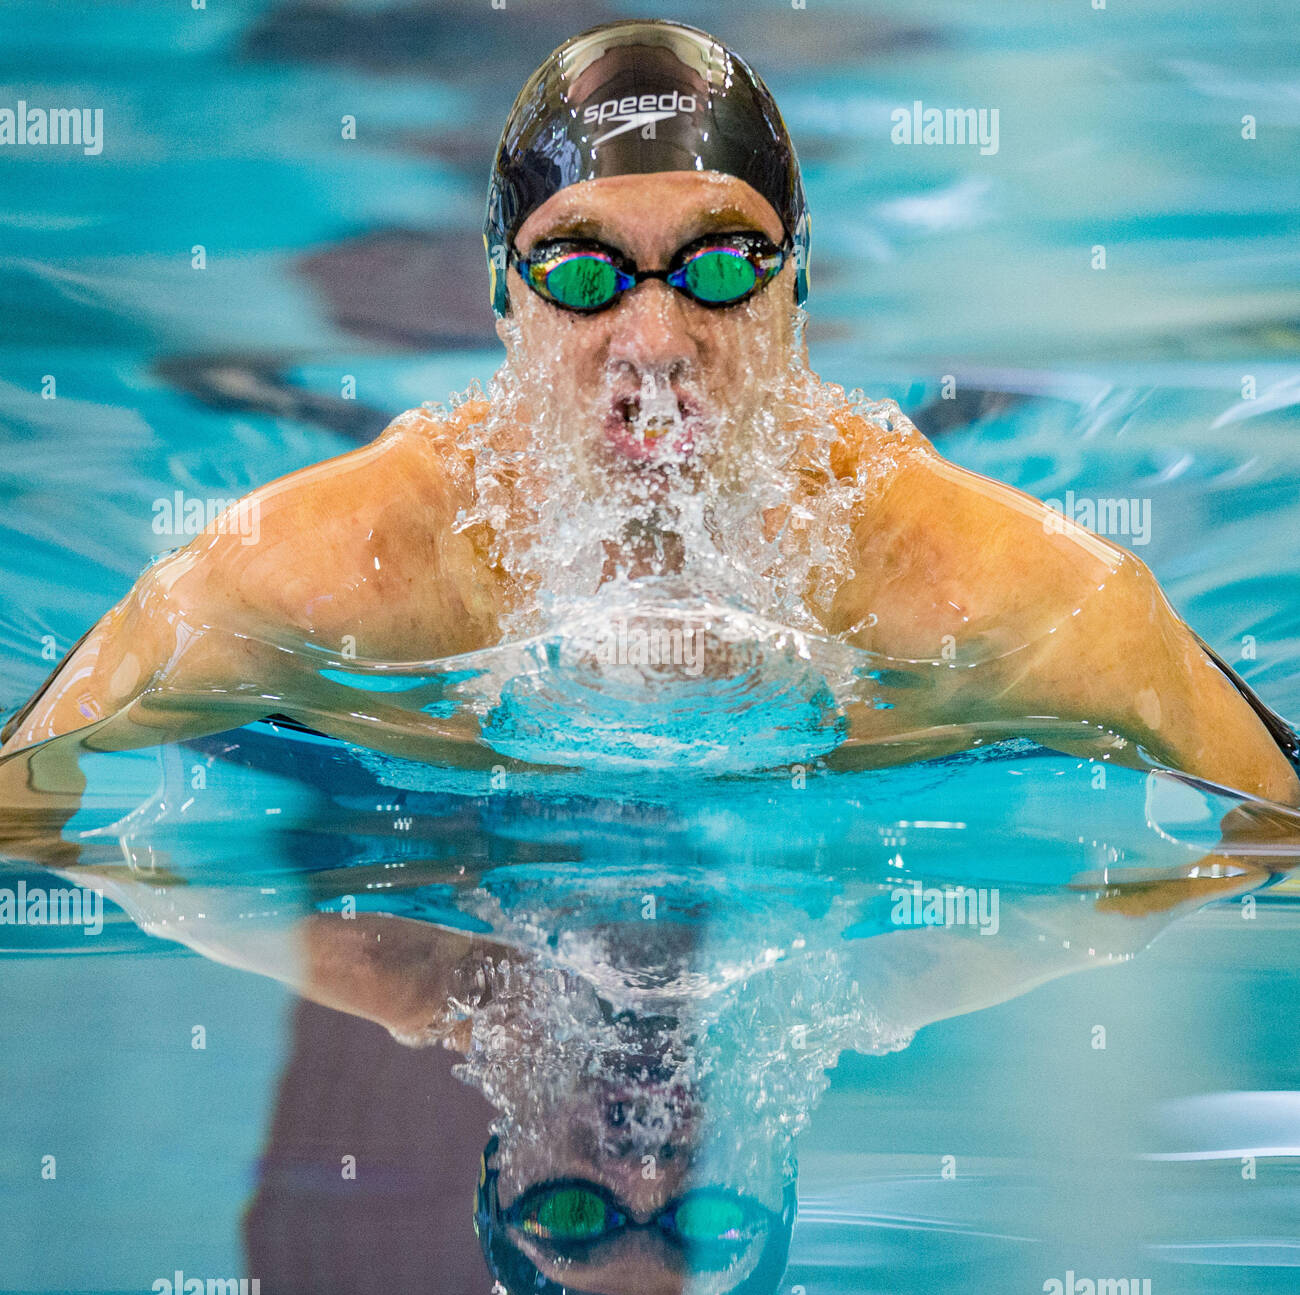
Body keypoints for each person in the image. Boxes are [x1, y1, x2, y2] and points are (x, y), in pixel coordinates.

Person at [3, 18, 1298, 818]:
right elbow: (24, 803)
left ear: (800, 291)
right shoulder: (305, 578)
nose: (656, 343)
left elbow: (1278, 833)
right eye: (580, 272)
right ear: (502, 300)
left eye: (723, 266)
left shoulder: (1024, 599)